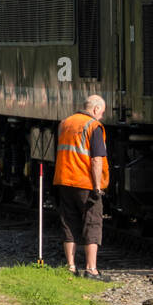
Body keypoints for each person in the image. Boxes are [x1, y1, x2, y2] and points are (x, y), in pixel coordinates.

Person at [54, 94, 110, 279]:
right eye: (101, 112)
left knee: (68, 222)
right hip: (85, 183)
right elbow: (96, 159)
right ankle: (91, 268)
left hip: (64, 180)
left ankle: (70, 266)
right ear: (95, 110)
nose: (101, 116)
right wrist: (97, 186)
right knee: (92, 223)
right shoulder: (93, 126)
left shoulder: (65, 123)